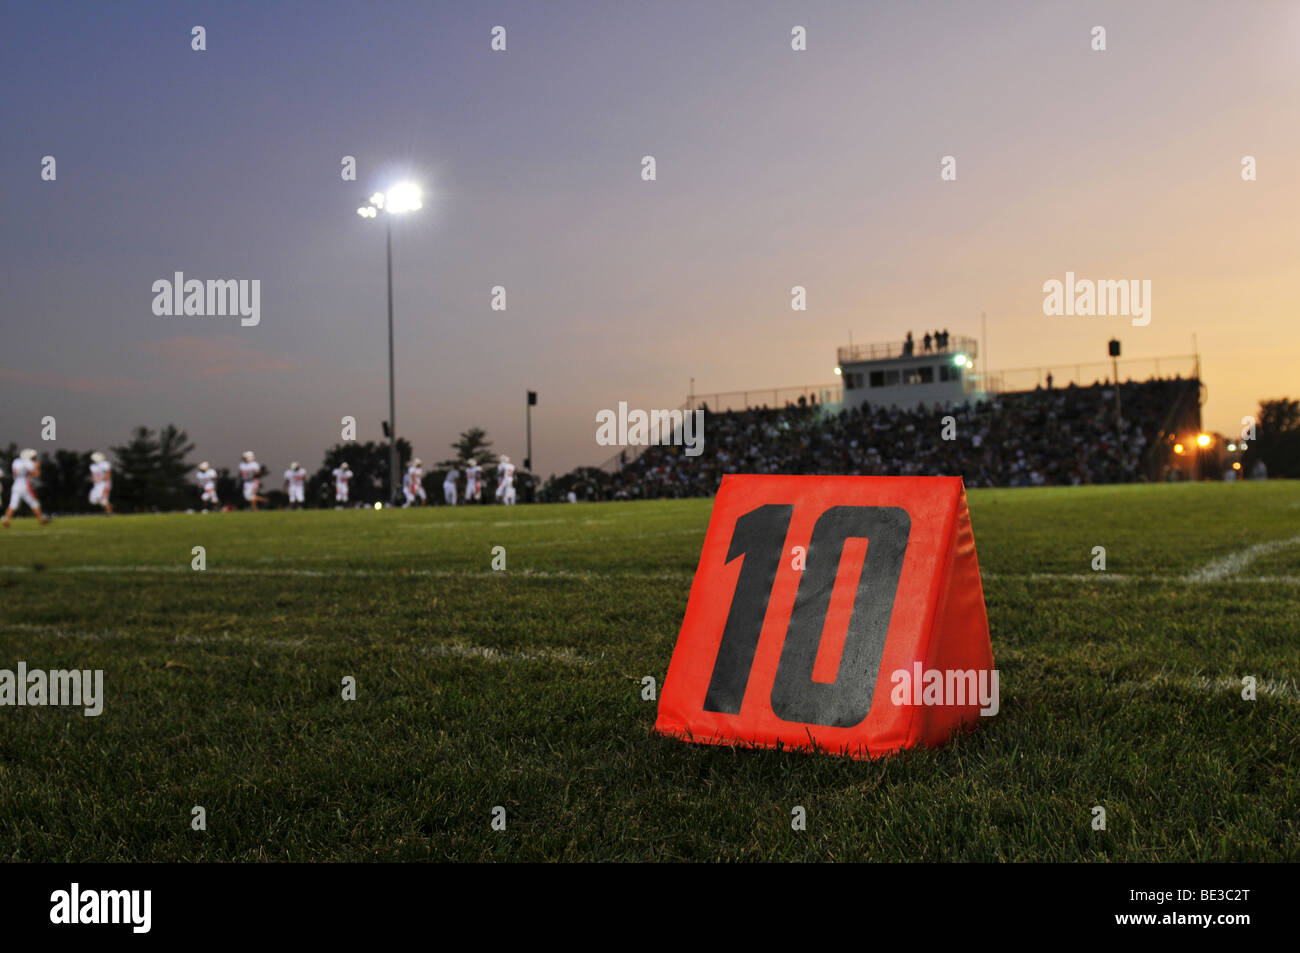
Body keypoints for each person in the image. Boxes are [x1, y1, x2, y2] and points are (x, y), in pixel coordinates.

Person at [3, 449, 48, 527]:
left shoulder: (16, 462)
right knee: (34, 503)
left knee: (13, 504)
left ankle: (6, 520)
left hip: (16, 485)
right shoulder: (28, 463)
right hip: (24, 486)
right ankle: (41, 519)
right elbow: (36, 474)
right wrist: (37, 466)